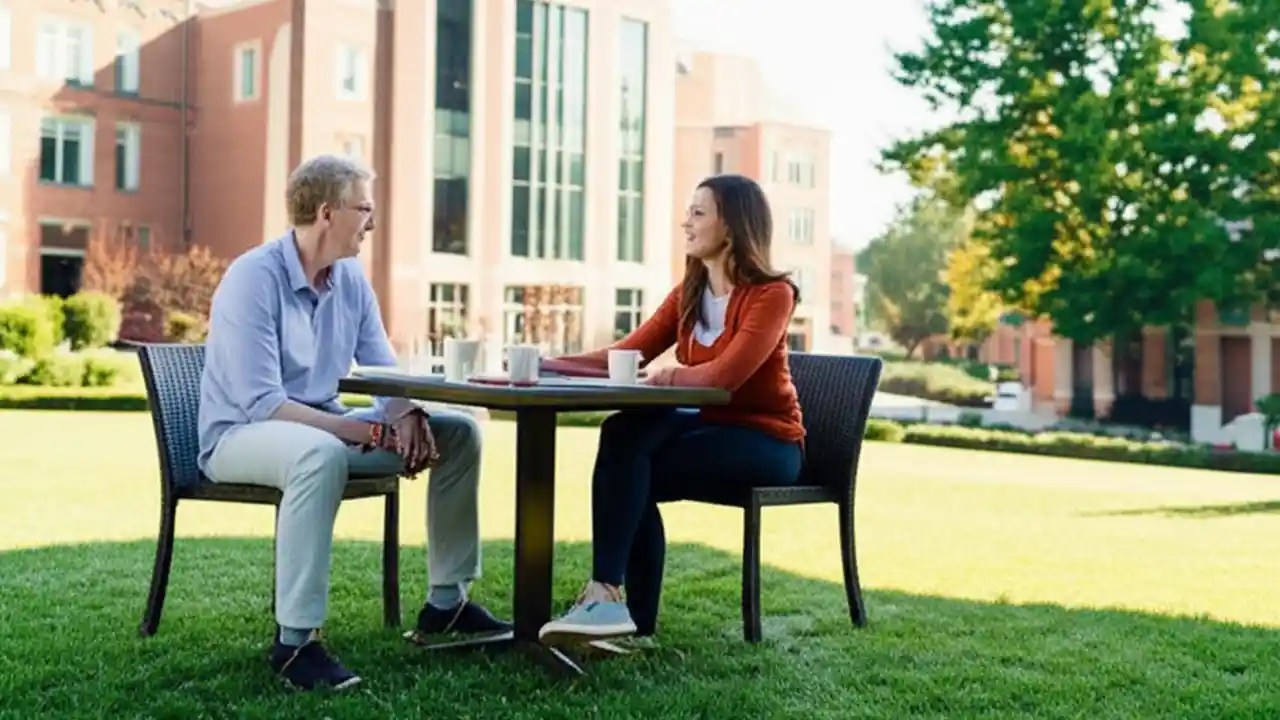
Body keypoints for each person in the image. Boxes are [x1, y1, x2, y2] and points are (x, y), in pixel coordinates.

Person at [198, 154, 510, 692]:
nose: (372, 221)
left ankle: (447, 606)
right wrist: (367, 432)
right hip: (239, 436)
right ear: (327, 212)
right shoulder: (252, 278)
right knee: (316, 455)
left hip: (321, 431)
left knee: (456, 432)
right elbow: (264, 404)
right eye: (364, 208)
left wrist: (406, 414)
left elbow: (381, 367)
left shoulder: (350, 281)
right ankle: (295, 644)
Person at [536, 174, 806, 645]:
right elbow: (626, 355)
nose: (687, 222)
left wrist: (670, 375)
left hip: (769, 442)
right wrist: (542, 365)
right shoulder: (690, 292)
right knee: (624, 433)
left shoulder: (772, 295)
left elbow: (727, 376)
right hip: (707, 428)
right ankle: (618, 610)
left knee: (632, 469)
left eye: (699, 213)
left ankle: (613, 604)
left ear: (733, 225)